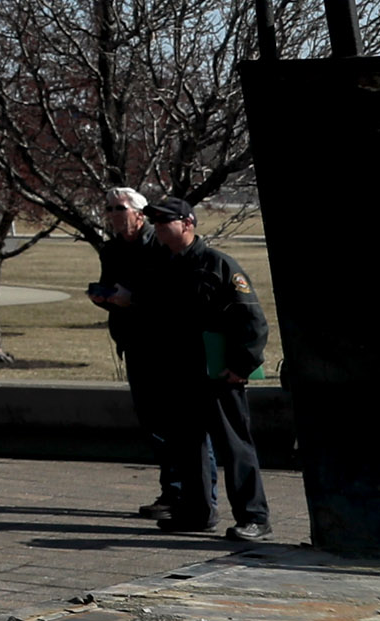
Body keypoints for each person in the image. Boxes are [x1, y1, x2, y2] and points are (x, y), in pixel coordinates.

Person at [107, 197, 270, 538]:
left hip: (219, 373)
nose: (160, 229)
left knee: (234, 447)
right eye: (156, 223)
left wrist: (242, 365)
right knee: (187, 446)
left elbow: (252, 319)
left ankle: (254, 517)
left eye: (166, 222)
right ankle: (196, 512)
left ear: (188, 223)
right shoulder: (162, 267)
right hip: (179, 375)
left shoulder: (217, 264)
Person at [88, 186, 182, 523]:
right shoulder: (111, 250)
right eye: (109, 208)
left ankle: (182, 491)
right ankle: (172, 489)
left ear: (140, 213)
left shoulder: (159, 245)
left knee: (174, 420)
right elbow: (111, 285)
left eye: (120, 209)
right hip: (134, 342)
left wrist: (134, 300)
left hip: (165, 344)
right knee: (152, 420)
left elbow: (172, 295)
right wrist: (104, 297)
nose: (114, 215)